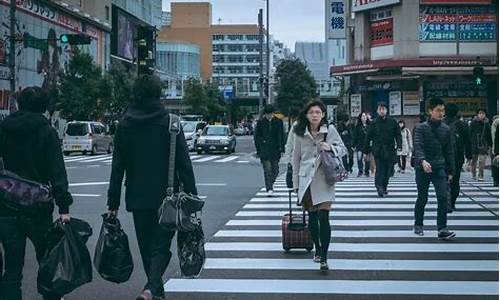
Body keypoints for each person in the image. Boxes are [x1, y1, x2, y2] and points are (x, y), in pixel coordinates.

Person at [107, 75, 197, 300]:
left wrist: (113, 202)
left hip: (137, 197)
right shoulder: (171, 123)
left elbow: (117, 167)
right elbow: (184, 164)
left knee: (147, 248)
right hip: (167, 197)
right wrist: (193, 199)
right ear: (159, 94)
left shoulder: (125, 124)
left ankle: (155, 291)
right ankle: (151, 290)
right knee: (161, 247)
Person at [0, 87, 73, 300]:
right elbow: (57, 171)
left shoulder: (4, 129)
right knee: (47, 261)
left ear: (19, 104)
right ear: (43, 107)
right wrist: (64, 208)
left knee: (13, 268)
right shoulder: (46, 132)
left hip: (5, 205)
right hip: (37, 208)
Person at [292, 100, 346, 271]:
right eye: (311, 112)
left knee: (324, 217)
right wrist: (295, 184)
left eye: (318, 112)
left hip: (324, 178)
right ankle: (317, 246)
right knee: (313, 219)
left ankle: (324, 257)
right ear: (306, 115)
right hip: (306, 179)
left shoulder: (329, 130)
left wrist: (329, 146)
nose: (315, 115)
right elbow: (296, 159)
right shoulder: (299, 132)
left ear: (323, 114)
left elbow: (343, 149)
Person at [413, 97, 455, 240]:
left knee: (443, 197)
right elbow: (418, 147)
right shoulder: (420, 128)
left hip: (439, 168)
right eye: (438, 110)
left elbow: (449, 151)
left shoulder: (446, 129)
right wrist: (423, 161)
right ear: (430, 111)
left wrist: (451, 171)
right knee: (422, 197)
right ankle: (418, 224)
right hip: (422, 168)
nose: (440, 113)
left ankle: (442, 228)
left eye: (442, 110)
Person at [363, 103, 402, 197]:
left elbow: (398, 134)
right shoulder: (374, 122)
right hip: (378, 149)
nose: (381, 111)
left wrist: (399, 145)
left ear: (386, 110)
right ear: (377, 111)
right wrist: (366, 150)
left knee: (388, 170)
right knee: (379, 169)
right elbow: (368, 137)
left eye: (383, 109)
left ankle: (384, 187)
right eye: (380, 109)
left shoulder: (392, 122)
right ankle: (379, 187)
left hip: (390, 149)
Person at [444, 103, 472, 212]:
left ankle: (446, 202)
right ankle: (452, 202)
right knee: (455, 180)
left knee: (444, 180)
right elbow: (467, 142)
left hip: (443, 157)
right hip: (458, 157)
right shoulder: (463, 125)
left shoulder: (441, 123)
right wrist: (469, 155)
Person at [254, 104, 285, 196]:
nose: (269, 116)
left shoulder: (278, 122)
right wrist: (258, 149)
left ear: (273, 113)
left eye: (270, 114)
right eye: (267, 114)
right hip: (264, 149)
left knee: (275, 170)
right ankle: (269, 188)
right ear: (265, 114)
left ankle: (270, 182)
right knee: (267, 169)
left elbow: (282, 135)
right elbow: (257, 137)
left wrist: (282, 148)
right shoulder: (260, 123)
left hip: (275, 149)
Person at [469, 109, 492, 181]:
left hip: (483, 144)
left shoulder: (487, 123)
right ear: (477, 114)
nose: (481, 115)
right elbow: (469, 134)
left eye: (483, 113)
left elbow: (489, 135)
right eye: (480, 113)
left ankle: (481, 175)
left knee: (482, 160)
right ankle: (473, 174)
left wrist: (490, 145)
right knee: (474, 160)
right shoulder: (473, 122)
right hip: (474, 144)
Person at [353, 112, 370, 177]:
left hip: (367, 144)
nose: (364, 117)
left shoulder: (369, 126)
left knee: (367, 159)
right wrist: (353, 144)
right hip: (360, 144)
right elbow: (355, 136)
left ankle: (366, 171)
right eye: (362, 116)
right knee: (359, 158)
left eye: (365, 116)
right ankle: (360, 171)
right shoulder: (358, 126)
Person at [491, 115, 499, 187]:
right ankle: (496, 180)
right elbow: (494, 137)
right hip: (496, 147)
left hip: (496, 147)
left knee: (496, 164)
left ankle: (496, 180)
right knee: (496, 164)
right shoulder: (497, 122)